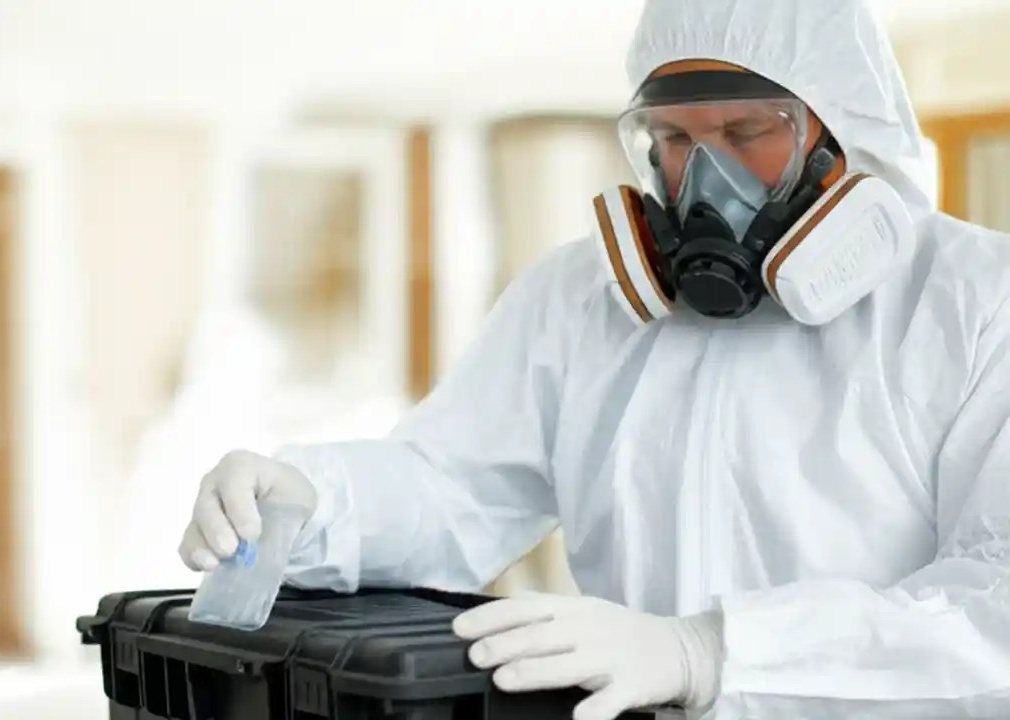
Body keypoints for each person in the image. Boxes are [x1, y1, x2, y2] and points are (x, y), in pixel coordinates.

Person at [179, 0, 1010, 717]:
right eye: (675, 137)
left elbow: (996, 610)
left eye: (750, 131)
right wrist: (316, 502)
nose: (705, 176)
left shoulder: (977, 301)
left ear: (844, 130)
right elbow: (456, 486)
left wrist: (711, 655)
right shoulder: (583, 299)